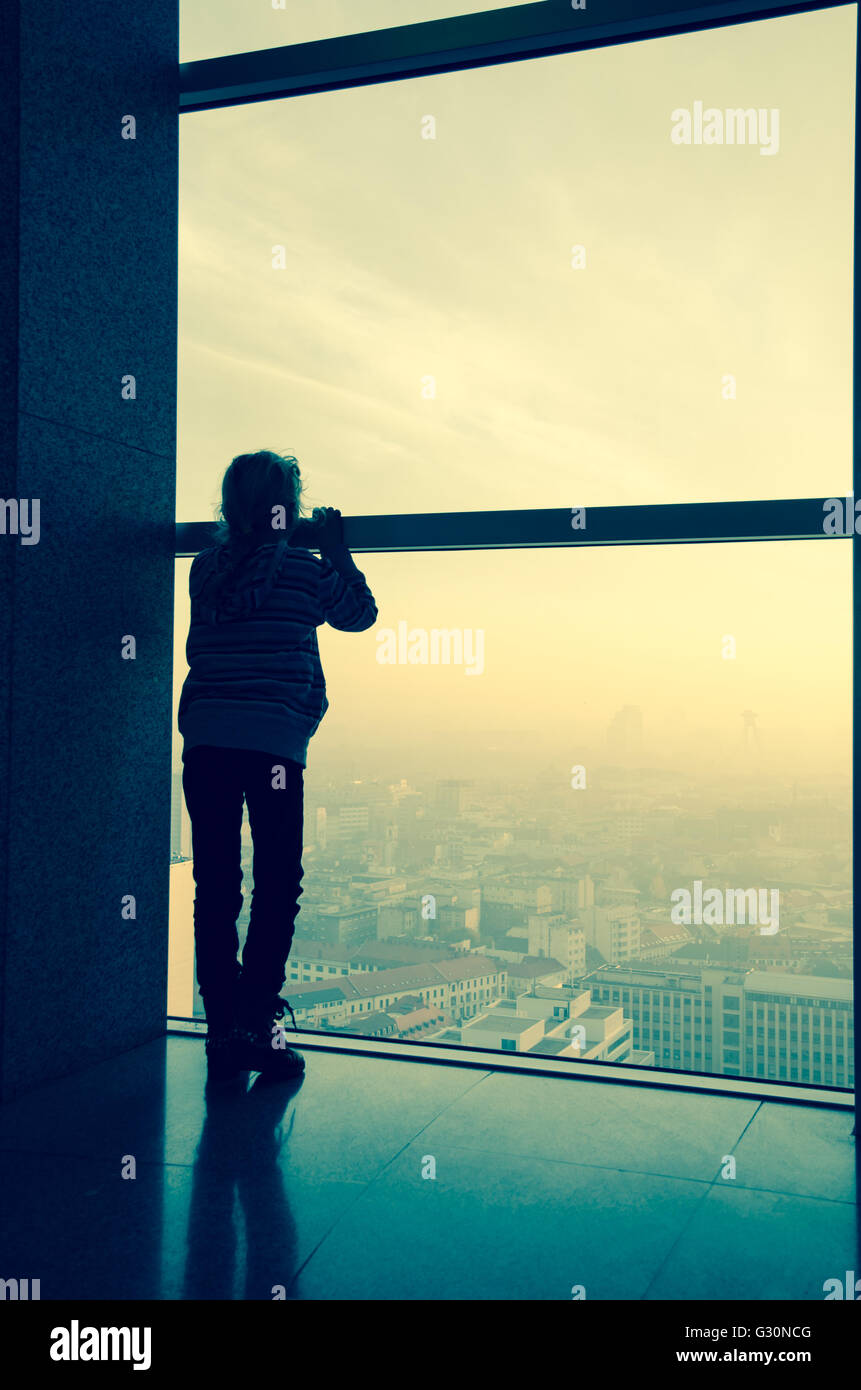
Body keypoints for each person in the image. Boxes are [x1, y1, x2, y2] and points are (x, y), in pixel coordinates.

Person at [178, 450, 377, 1083]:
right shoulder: (303, 570)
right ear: (287, 508)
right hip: (273, 747)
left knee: (215, 889)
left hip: (206, 741)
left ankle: (220, 1031)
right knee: (276, 886)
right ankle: (258, 1024)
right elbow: (361, 615)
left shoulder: (205, 571)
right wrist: (335, 548)